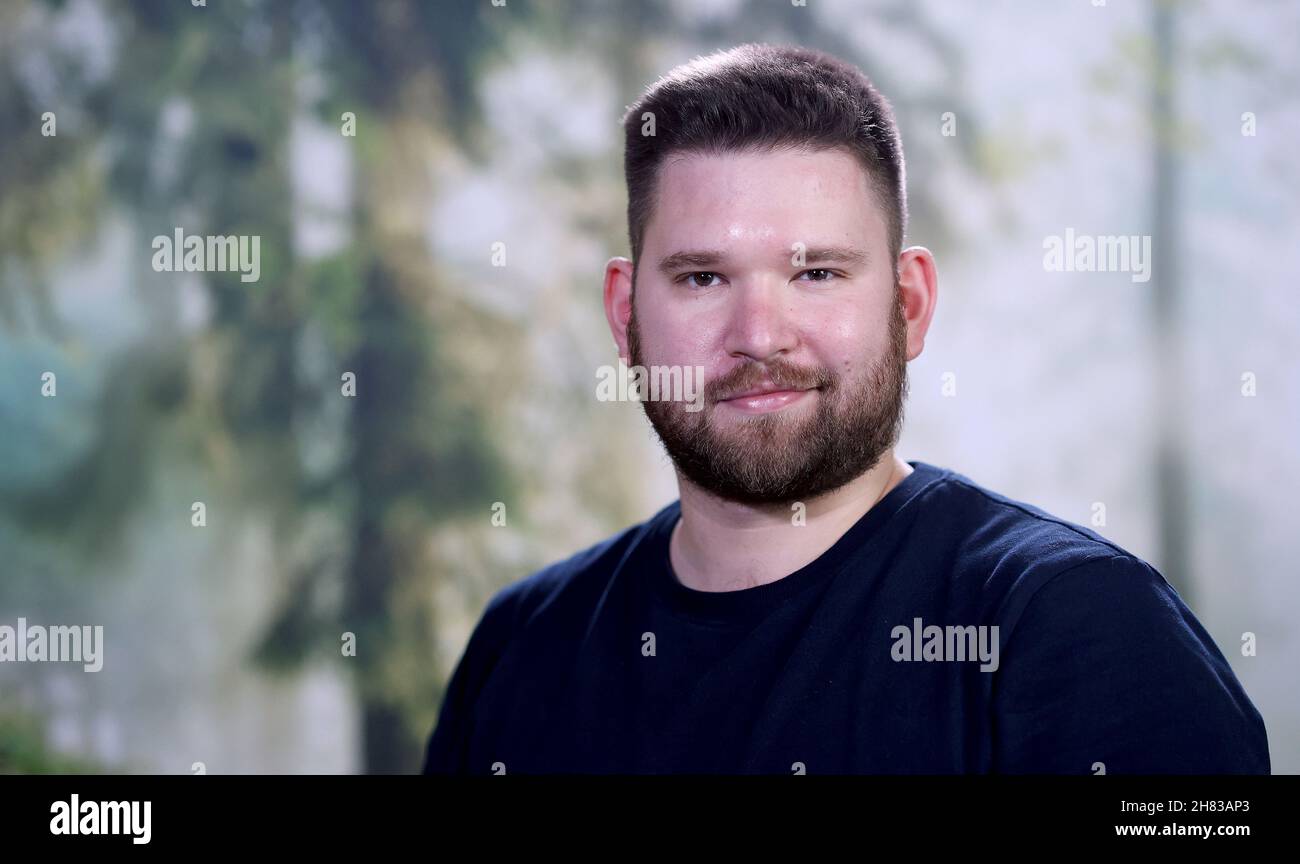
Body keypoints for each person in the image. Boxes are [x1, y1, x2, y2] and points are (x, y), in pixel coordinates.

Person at [423, 43, 1270, 774]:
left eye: (816, 273)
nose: (760, 335)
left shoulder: (1078, 629)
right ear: (624, 316)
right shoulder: (523, 648)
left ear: (909, 304)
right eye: (702, 278)